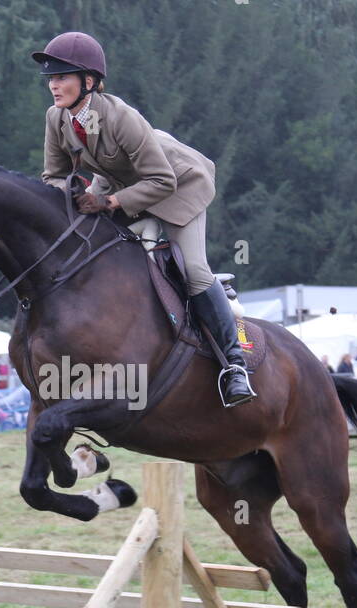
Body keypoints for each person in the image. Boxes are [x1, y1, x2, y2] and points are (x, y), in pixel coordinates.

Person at [34, 31, 254, 407]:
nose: (54, 85)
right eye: (51, 78)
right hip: (120, 182)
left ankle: (234, 365)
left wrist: (109, 203)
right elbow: (51, 175)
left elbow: (162, 180)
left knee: (194, 271)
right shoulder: (57, 118)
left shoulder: (121, 117)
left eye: (62, 77)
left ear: (88, 81)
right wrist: (73, 192)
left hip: (177, 183)